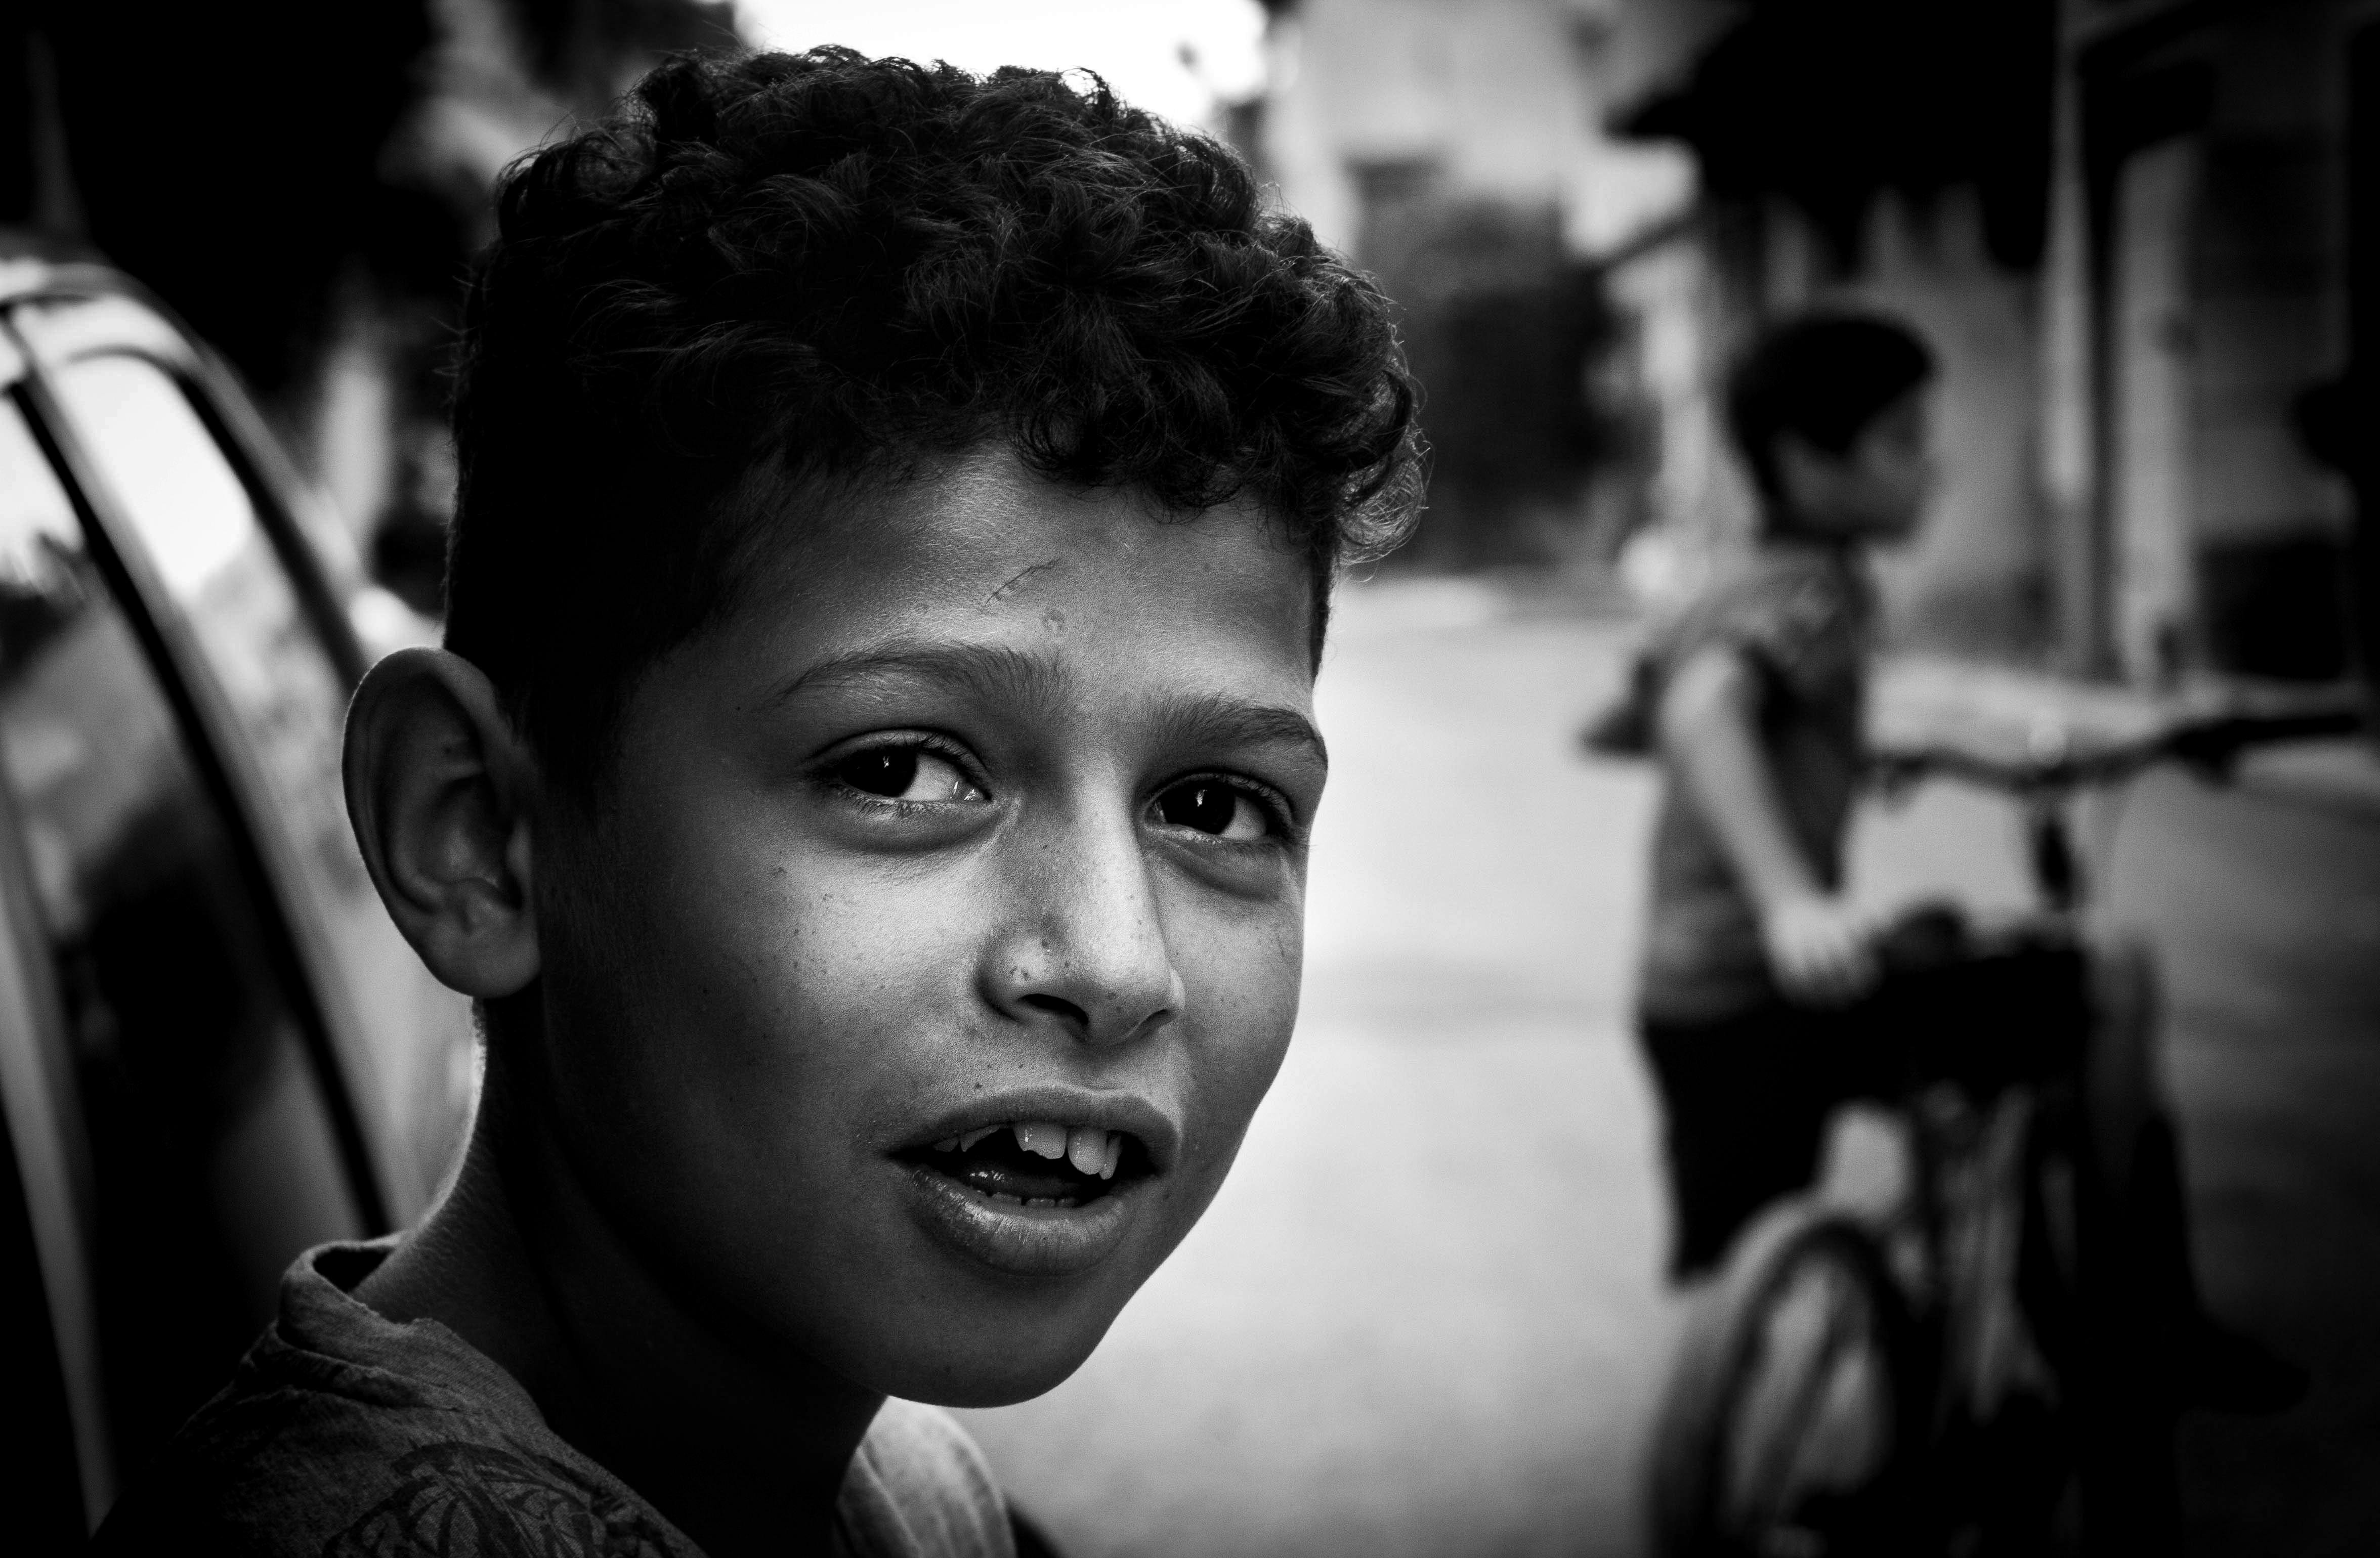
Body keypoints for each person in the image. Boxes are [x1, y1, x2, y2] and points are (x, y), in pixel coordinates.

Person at [95, 46, 1419, 1557]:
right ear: (478, 834)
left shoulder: (899, 1489)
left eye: (1216, 806)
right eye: (904, 771)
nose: (1118, 966)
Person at [1628, 310, 2301, 1418]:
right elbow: (1706, 711)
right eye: (1902, 441)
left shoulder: (1725, 579)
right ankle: (2138, 1316)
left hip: (1687, 1000)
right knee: (2108, 975)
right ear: (1809, 461)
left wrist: (1847, 751)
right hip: (1790, 981)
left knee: (1739, 1276)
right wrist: (1793, 899)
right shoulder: (1816, 589)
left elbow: (1660, 699)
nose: (1932, 466)